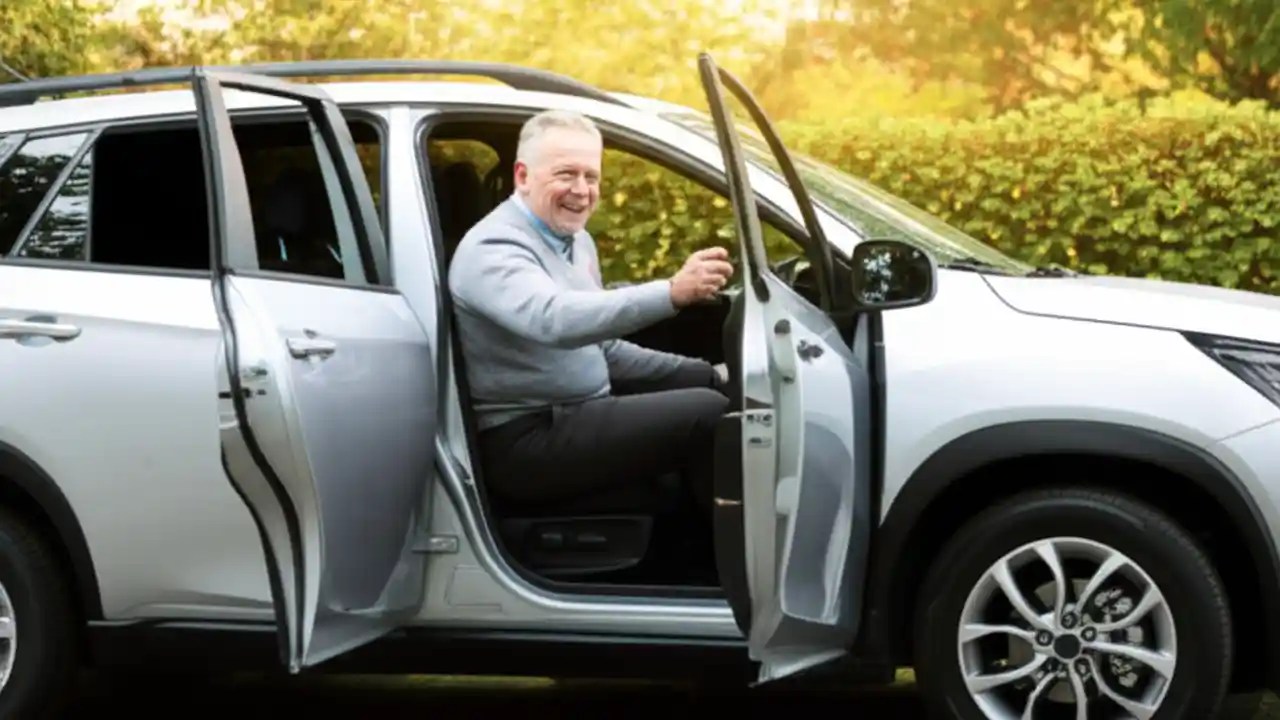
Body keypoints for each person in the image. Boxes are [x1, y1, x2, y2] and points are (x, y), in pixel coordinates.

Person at [447, 108, 733, 530]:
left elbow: (603, 348)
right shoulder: (491, 248)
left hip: (577, 413)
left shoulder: (575, 240)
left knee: (721, 395)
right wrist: (672, 292)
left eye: (592, 176)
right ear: (523, 177)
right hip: (524, 437)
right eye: (566, 174)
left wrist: (710, 374)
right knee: (708, 416)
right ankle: (744, 568)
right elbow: (556, 321)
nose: (582, 190)